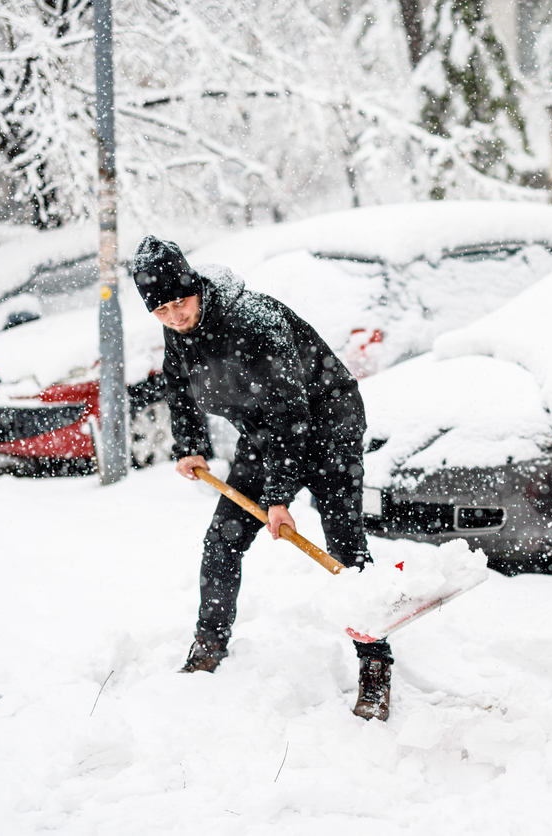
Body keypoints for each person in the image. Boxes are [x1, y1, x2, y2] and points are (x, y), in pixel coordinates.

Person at [132, 235, 393, 721]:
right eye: (161, 309)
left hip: (327, 425)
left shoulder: (254, 321)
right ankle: (209, 644)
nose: (173, 316)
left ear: (195, 287)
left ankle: (375, 662)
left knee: (344, 545)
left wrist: (277, 497)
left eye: (179, 302)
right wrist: (191, 445)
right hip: (266, 432)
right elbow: (179, 386)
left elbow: (292, 410)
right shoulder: (179, 327)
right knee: (222, 539)